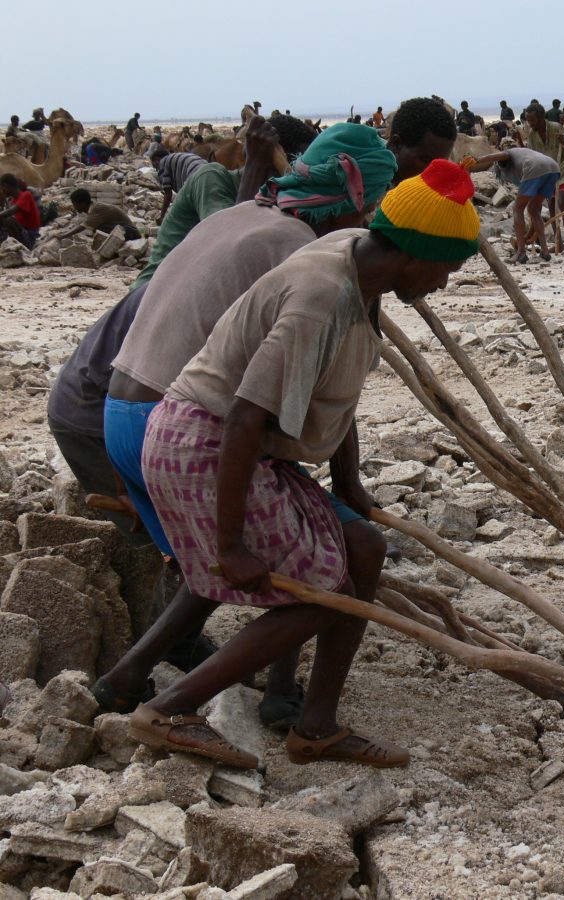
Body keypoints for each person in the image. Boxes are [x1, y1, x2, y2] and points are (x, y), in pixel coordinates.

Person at [127, 159, 480, 770]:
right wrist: (231, 543)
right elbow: (242, 418)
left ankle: (316, 727)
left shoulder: (357, 255)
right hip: (205, 445)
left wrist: (350, 485)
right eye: (446, 268)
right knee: (324, 596)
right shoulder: (321, 297)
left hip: (244, 448)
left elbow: (332, 396)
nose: (445, 283)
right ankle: (169, 709)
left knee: (362, 548)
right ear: (413, 255)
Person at [96, 123, 398, 727]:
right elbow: (287, 396)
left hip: (123, 415)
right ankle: (281, 697)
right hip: (191, 423)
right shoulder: (307, 254)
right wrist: (346, 483)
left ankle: (128, 676)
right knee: (298, 566)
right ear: (354, 202)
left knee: (215, 563)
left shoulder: (241, 213)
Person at [467, 144, 558, 263]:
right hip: (553, 168)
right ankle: (545, 251)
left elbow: (502, 155)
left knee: (517, 209)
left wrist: (477, 160)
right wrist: (528, 235)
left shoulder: (510, 154)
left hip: (535, 167)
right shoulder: (523, 155)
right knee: (533, 209)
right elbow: (535, 205)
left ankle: (521, 252)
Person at [517, 102, 564, 254]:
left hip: (563, 170)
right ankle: (560, 243)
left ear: (542, 118)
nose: (530, 124)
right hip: (549, 173)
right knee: (551, 208)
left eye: (533, 121)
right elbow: (531, 155)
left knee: (562, 204)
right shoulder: (532, 134)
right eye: (528, 121)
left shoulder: (557, 128)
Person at [386, 96, 457, 185]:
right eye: (425, 160)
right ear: (396, 144)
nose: (435, 175)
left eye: (441, 165)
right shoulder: (369, 187)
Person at [150, 148, 207, 225]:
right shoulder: (176, 158)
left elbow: (168, 193)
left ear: (157, 159)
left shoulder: (163, 162)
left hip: (195, 175)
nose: (157, 169)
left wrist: (162, 216)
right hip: (208, 168)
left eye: (155, 166)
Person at [62, 188, 140, 241]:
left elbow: (83, 226)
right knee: (97, 230)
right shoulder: (94, 208)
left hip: (130, 232)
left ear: (83, 203)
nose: (74, 207)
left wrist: (64, 235)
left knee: (99, 229)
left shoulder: (97, 208)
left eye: (75, 204)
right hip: (127, 231)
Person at [0, 174, 41, 249]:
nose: (2, 191)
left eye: (2, 188)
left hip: (29, 236)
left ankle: (22, 248)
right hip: (23, 233)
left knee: (8, 220)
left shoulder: (26, 195)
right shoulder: (12, 201)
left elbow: (11, 211)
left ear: (6, 186)